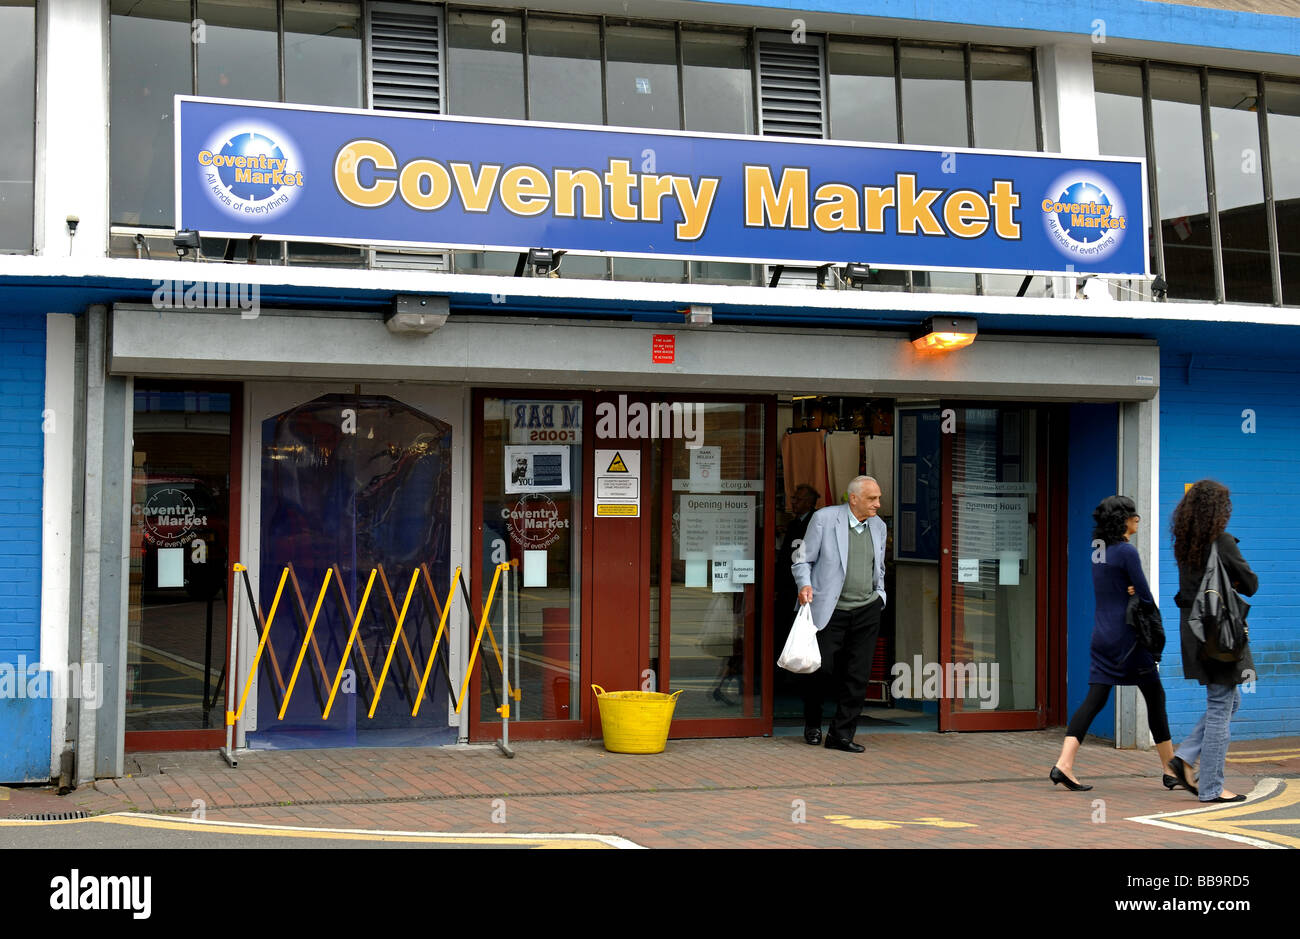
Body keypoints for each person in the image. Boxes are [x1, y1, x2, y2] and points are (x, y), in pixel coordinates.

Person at [1050, 496, 1177, 791]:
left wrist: (1127, 587)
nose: (1138, 519)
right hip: (1129, 638)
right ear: (1122, 520)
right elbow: (1144, 596)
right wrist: (1137, 596)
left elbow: (1112, 586)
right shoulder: (1126, 552)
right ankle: (1171, 769)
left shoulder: (1098, 550)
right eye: (1134, 514)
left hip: (1102, 635)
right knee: (1155, 697)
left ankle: (1064, 764)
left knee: (1096, 698)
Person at [1166, 479, 1258, 803]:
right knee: (1221, 706)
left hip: (1194, 632)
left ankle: (1184, 757)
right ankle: (1212, 788)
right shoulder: (1221, 542)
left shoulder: (1184, 544)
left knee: (1230, 701)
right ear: (1218, 511)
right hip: (1220, 634)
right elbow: (1250, 584)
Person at [791, 475, 887, 753]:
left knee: (858, 674)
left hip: (866, 608)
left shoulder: (878, 526)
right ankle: (812, 724)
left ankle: (841, 735)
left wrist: (880, 595)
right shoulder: (824, 519)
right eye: (872, 499)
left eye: (878, 498)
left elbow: (878, 565)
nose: (878, 504)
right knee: (821, 669)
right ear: (853, 499)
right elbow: (802, 559)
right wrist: (804, 584)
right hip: (829, 608)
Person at [774, 484, 820, 662]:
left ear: (809, 503)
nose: (793, 502)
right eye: (793, 498)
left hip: (804, 587)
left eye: (798, 499)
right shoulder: (795, 523)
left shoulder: (815, 522)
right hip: (788, 585)